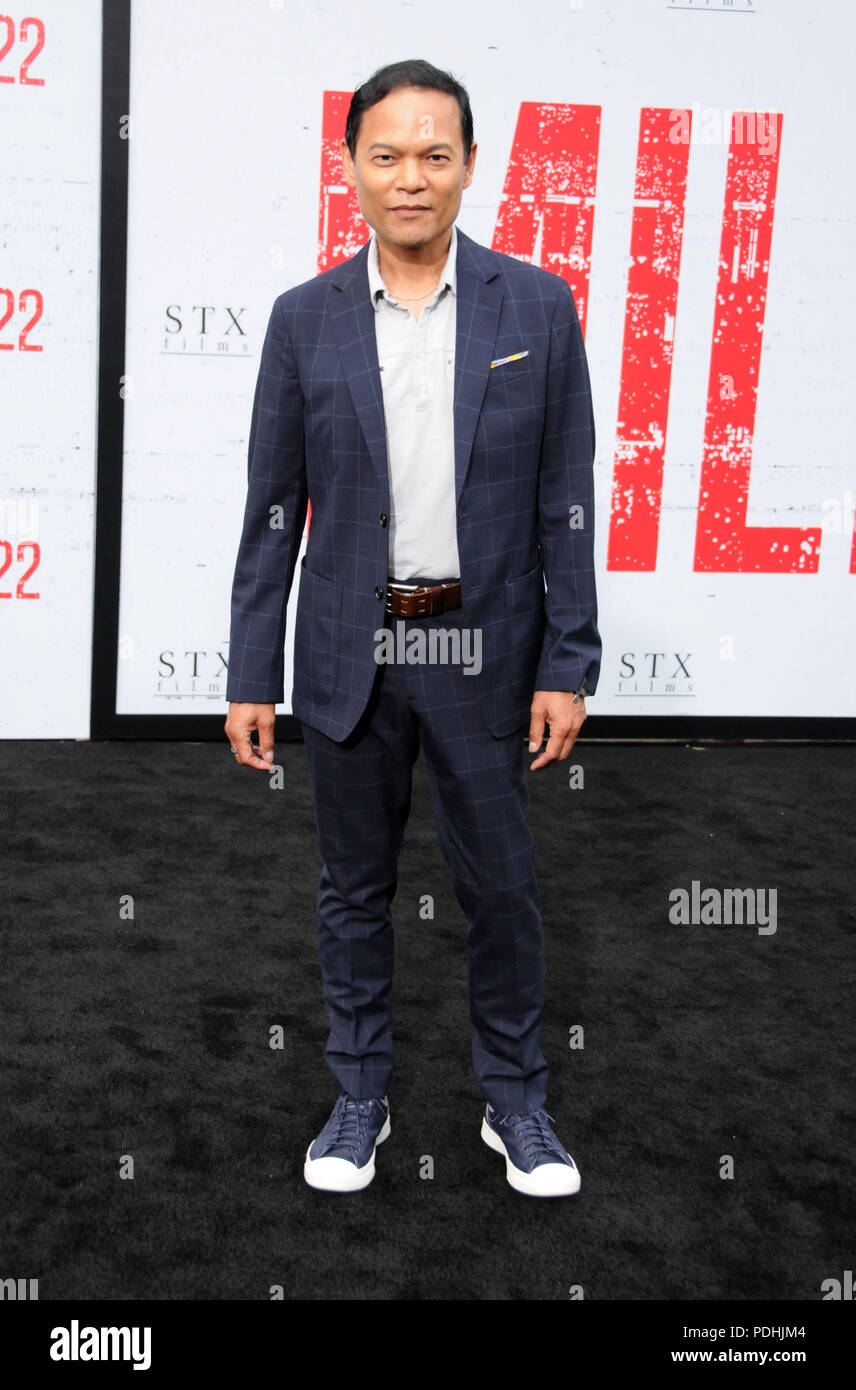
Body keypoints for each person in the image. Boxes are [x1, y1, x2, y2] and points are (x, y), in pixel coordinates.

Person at [225, 58, 601, 1198]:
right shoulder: (304, 320)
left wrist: (567, 660)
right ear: (350, 168)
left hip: (484, 647)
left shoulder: (536, 304)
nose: (410, 177)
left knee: (501, 888)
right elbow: (273, 507)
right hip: (353, 647)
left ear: (471, 166)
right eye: (385, 154)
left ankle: (518, 1104)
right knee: (352, 887)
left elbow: (565, 495)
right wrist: (252, 669)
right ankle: (357, 1097)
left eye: (435, 154)